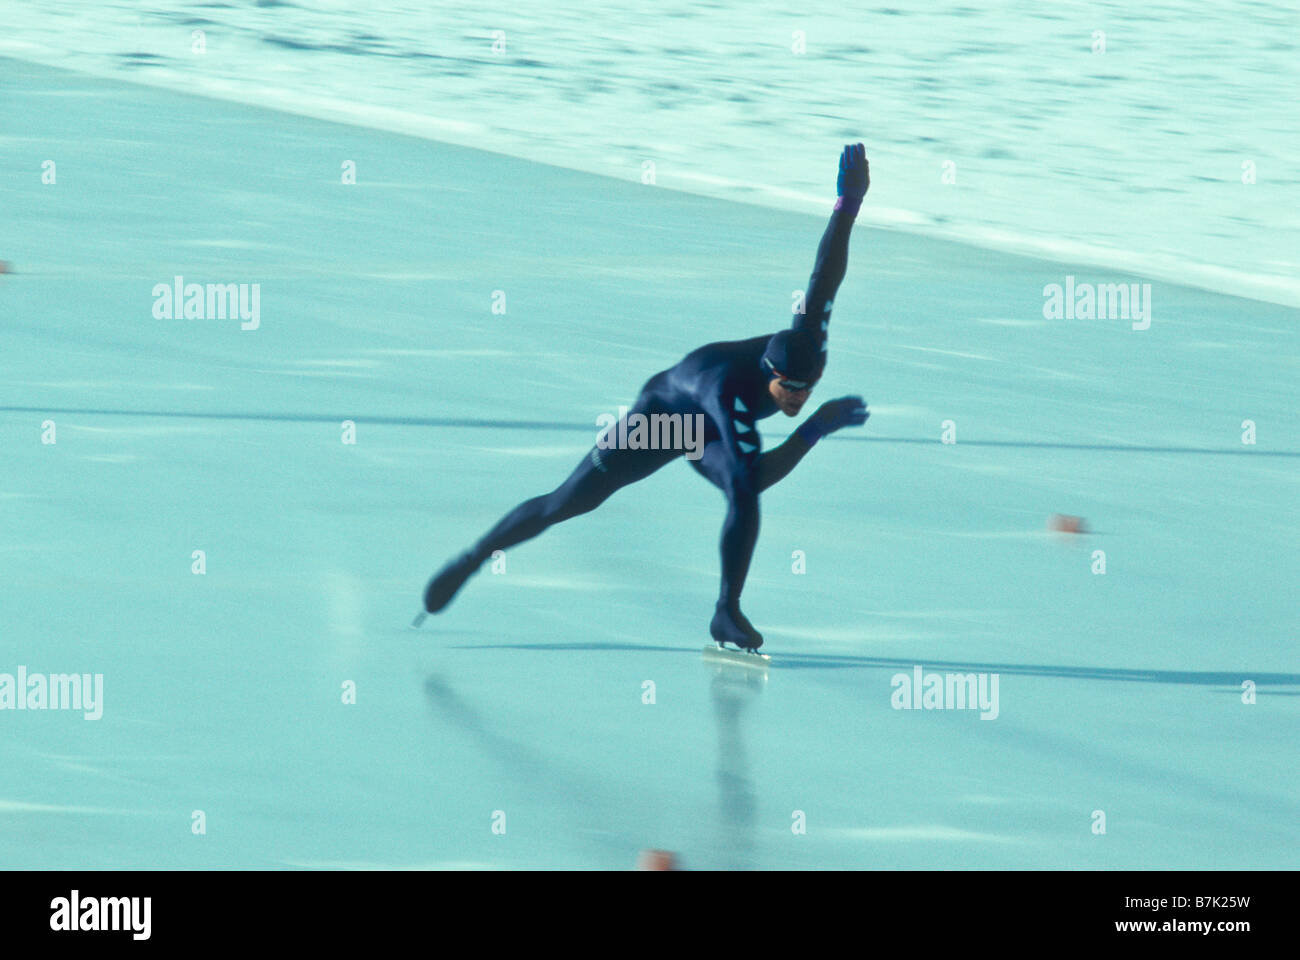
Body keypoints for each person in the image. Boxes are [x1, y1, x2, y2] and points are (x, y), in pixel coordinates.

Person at [423, 144, 872, 650]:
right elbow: (756, 477)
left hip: (712, 425)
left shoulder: (809, 341)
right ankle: (474, 556)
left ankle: (726, 611)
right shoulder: (728, 392)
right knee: (569, 502)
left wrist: (848, 202)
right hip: (667, 417)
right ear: (769, 372)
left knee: (740, 490)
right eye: (788, 389)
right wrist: (813, 430)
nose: (797, 398)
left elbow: (826, 272)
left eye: (806, 390)